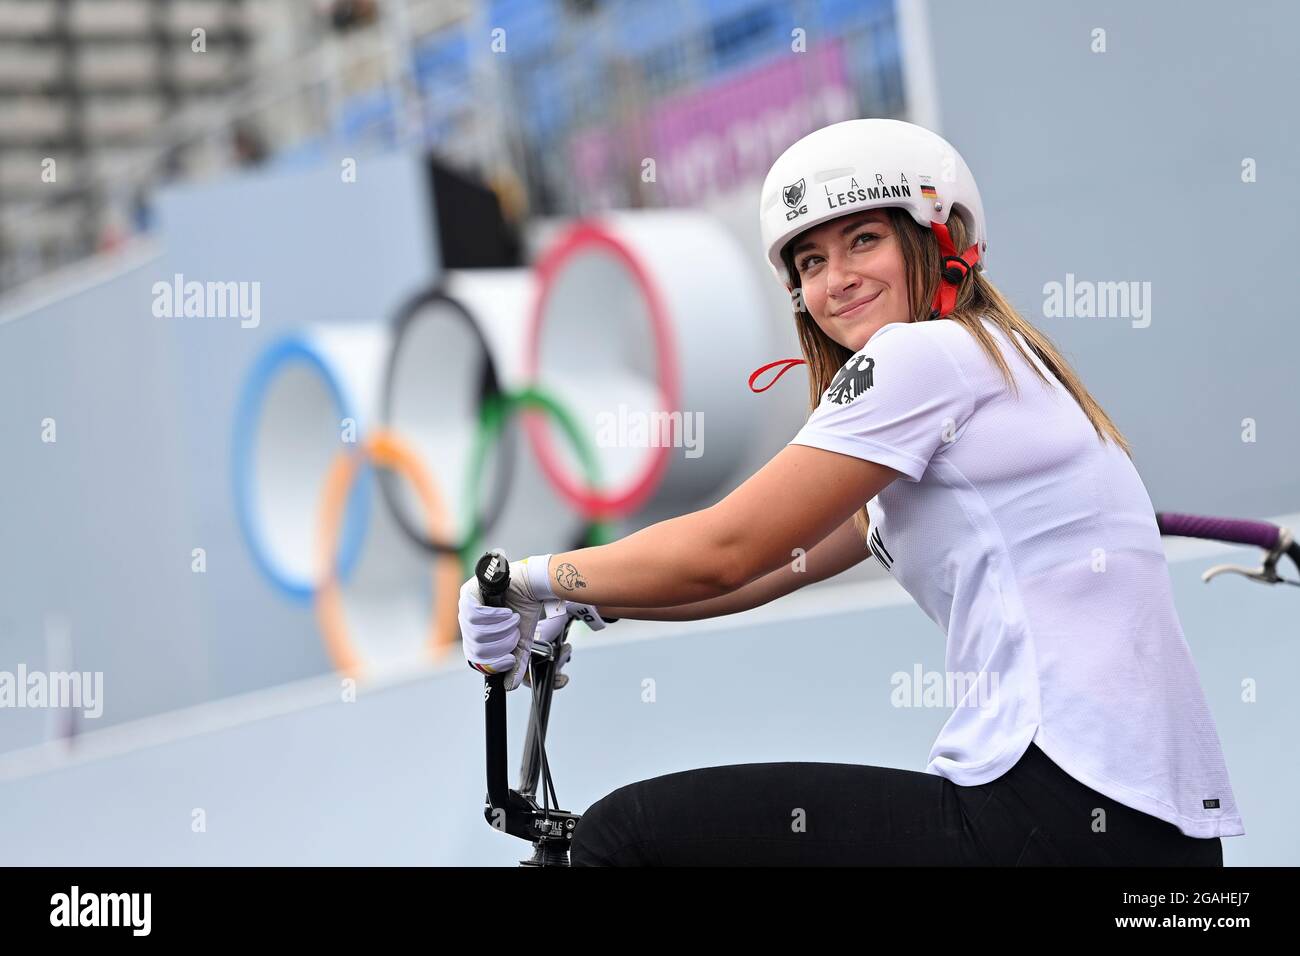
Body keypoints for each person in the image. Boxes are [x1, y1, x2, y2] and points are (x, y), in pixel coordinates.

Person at [458, 118, 1244, 866]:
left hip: (1057, 807)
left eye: (863, 239)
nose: (837, 280)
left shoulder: (922, 360)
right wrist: (597, 599)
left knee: (625, 838)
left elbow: (727, 552)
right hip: (1144, 832)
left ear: (938, 243)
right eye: (810, 262)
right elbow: (782, 564)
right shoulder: (995, 361)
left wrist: (524, 578)